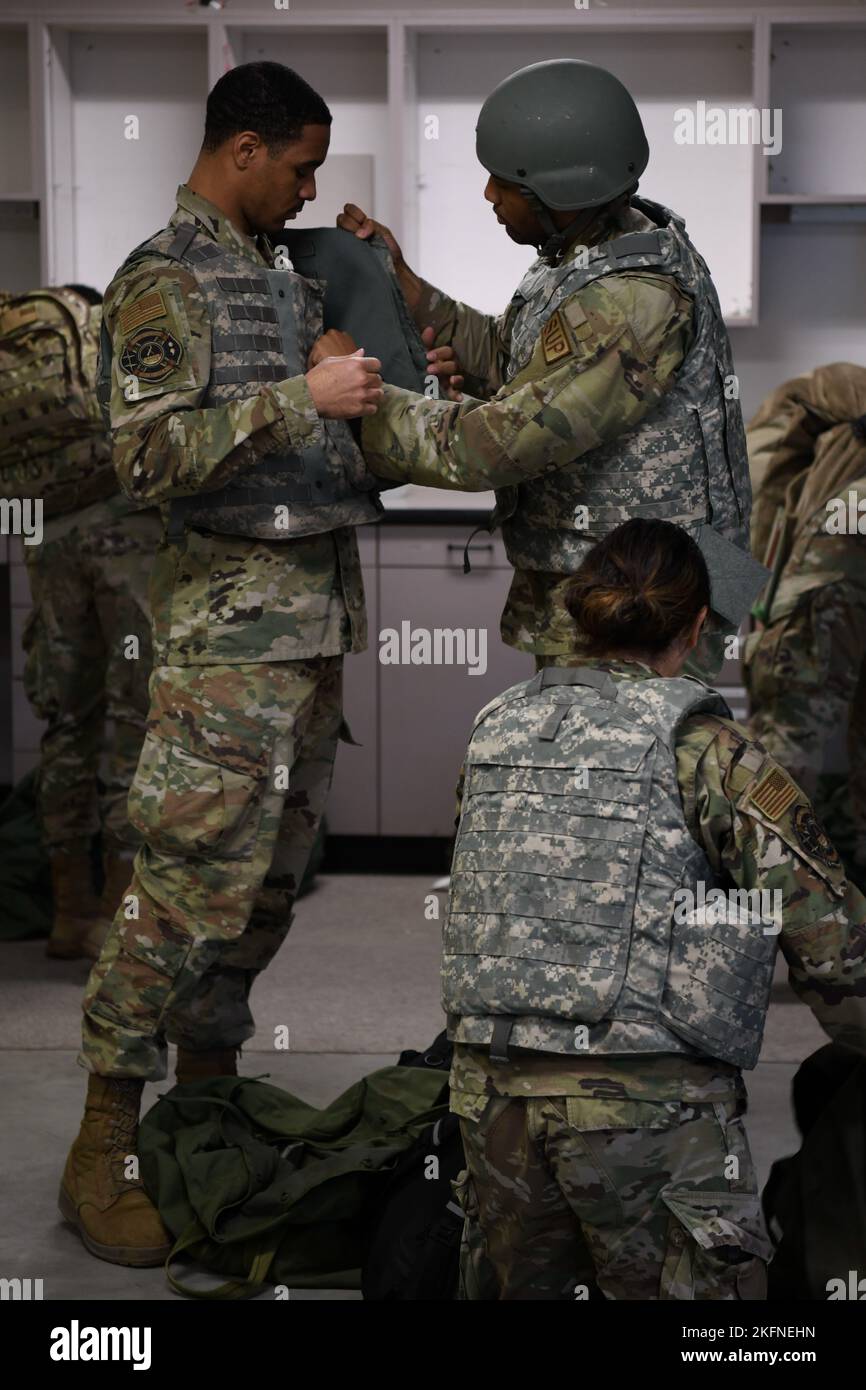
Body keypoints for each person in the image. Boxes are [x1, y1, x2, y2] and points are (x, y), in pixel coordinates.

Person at [58, 60, 441, 1268]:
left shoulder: (279, 267)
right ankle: (105, 1137)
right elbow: (149, 461)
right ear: (241, 151)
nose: (309, 188)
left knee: (263, 891)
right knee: (178, 888)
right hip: (227, 641)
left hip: (314, 624)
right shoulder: (162, 279)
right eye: (300, 166)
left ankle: (208, 1096)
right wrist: (298, 396)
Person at [442, 517, 866, 1300]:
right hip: (649, 1115)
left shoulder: (492, 727)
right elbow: (837, 954)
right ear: (699, 625)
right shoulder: (708, 751)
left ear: (582, 613)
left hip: (492, 1105)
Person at [338, 58, 768, 676]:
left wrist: (354, 400)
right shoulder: (582, 249)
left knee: (607, 772)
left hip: (642, 610)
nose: (489, 195)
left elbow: (492, 448)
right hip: (616, 585)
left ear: (560, 192)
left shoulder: (630, 299)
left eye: (504, 182)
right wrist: (408, 290)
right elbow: (520, 358)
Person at [14, 285, 162, 960]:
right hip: (122, 534)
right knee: (133, 720)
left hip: (46, 535)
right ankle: (115, 914)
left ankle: (67, 911)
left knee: (66, 723)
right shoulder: (119, 332)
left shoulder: (36, 345)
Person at [742, 363, 866, 893]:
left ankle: (813, 918)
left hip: (824, 556)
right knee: (805, 727)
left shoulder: (753, 452)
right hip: (826, 553)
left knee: (793, 726)